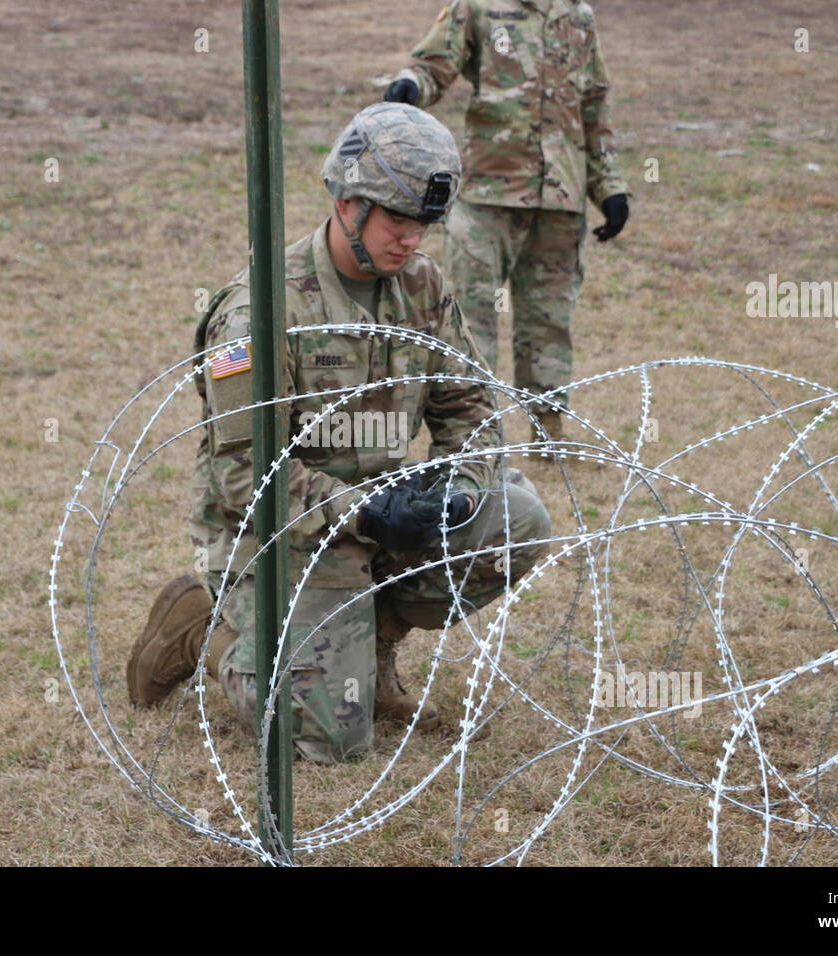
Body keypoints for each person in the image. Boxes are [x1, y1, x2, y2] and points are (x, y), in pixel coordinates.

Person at [127, 103, 551, 764]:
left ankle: (367, 649)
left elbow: (471, 407)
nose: (411, 239)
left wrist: (460, 492)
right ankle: (204, 633)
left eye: (423, 224)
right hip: (280, 534)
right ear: (348, 203)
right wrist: (365, 512)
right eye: (397, 220)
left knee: (516, 519)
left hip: (381, 516)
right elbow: (241, 473)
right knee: (328, 740)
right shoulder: (260, 311)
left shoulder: (422, 286)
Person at [384, 0, 630, 438]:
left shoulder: (578, 16)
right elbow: (434, 64)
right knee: (470, 319)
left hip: (559, 199)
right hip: (487, 194)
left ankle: (548, 433)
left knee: (549, 320)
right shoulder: (479, 6)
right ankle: (473, 436)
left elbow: (594, 105)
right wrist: (411, 87)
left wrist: (608, 186)